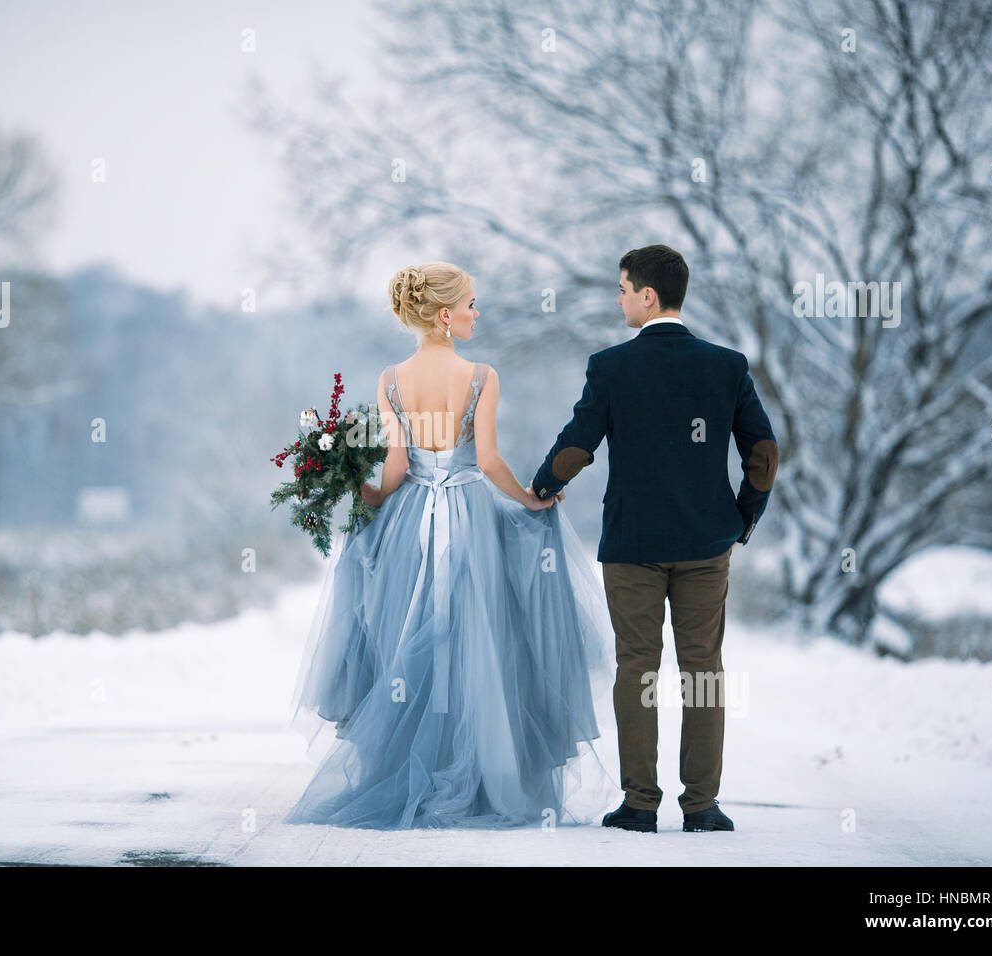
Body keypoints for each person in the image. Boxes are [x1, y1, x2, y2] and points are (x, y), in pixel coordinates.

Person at [285, 261, 616, 829]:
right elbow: (486, 462)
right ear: (444, 315)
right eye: (469, 304)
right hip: (470, 516)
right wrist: (530, 500)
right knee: (481, 641)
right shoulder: (481, 376)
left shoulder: (391, 379)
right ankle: (482, 776)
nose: (475, 313)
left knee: (408, 639)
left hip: (410, 521)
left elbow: (391, 475)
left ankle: (412, 768)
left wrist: (350, 483)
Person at [529, 244, 780, 834]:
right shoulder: (727, 365)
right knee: (703, 671)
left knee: (637, 669)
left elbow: (578, 444)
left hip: (632, 546)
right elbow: (763, 453)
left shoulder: (612, 367)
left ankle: (640, 804)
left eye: (622, 289)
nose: (618, 300)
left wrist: (544, 484)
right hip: (705, 545)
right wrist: (741, 520)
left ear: (647, 295)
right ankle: (702, 807)